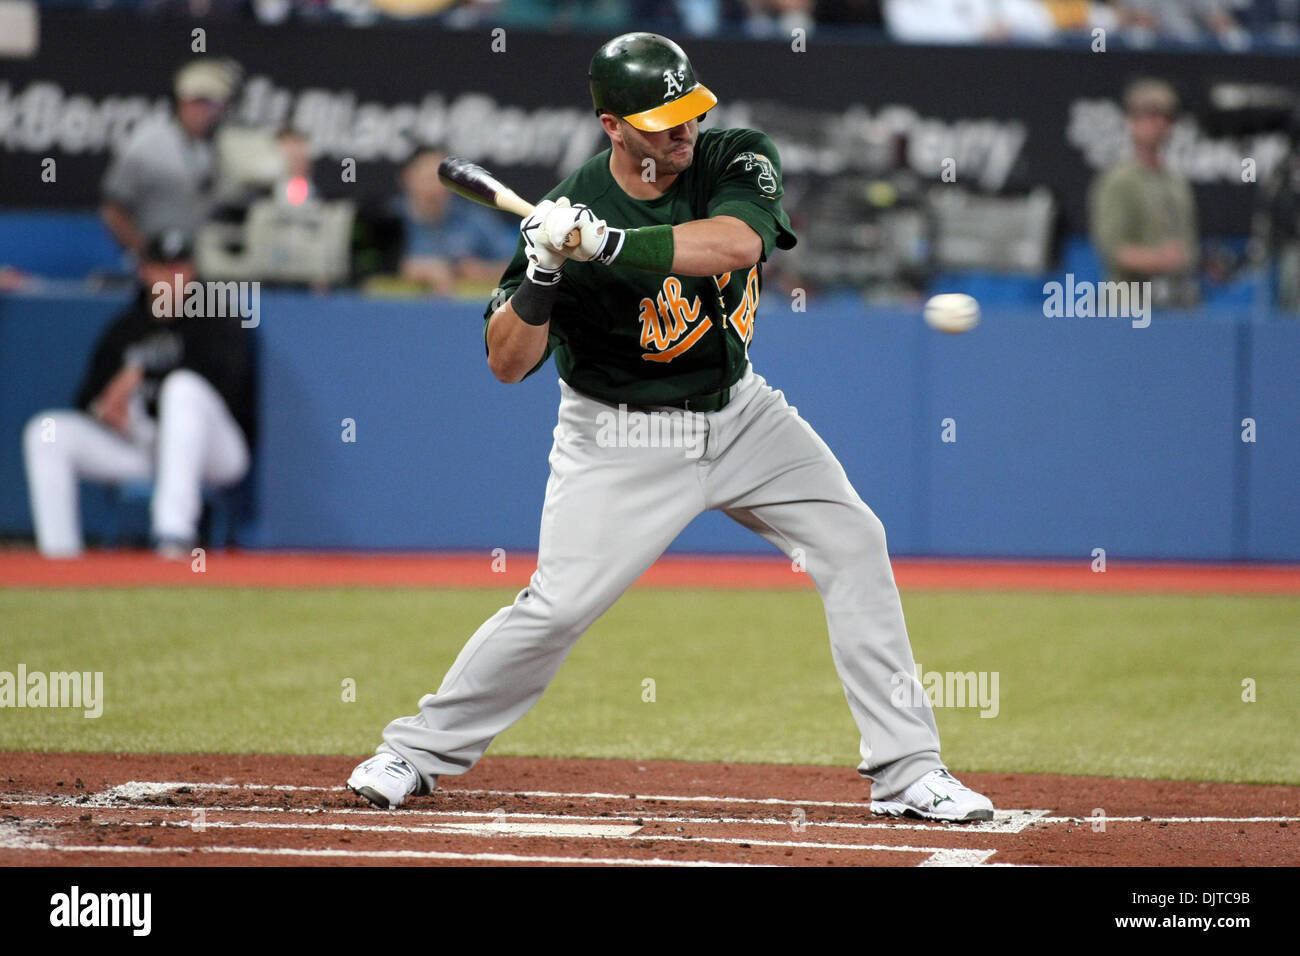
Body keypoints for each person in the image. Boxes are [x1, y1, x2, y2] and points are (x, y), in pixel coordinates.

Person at [349, 32, 994, 823]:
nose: (683, 131)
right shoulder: (566, 214)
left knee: (855, 541)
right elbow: (506, 363)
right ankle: (412, 753)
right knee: (556, 609)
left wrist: (614, 244)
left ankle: (908, 771)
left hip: (743, 413)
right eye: (661, 120)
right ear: (611, 125)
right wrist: (546, 273)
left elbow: (737, 242)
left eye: (689, 111)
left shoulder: (734, 157)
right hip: (621, 436)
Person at [22, 230, 255, 560]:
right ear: (144, 271)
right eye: (161, 268)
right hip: (143, 444)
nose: (171, 279)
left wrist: (146, 375)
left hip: (214, 453)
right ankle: (60, 560)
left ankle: (173, 536)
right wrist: (104, 411)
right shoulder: (127, 328)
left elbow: (231, 389)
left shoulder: (215, 317)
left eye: (179, 269)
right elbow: (86, 397)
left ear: (191, 271)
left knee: (182, 388)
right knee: (46, 431)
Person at [101, 58, 240, 255]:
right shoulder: (146, 144)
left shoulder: (217, 148)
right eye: (198, 103)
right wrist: (145, 253)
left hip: (201, 262)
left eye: (214, 104)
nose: (206, 112)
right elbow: (113, 210)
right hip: (156, 263)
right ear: (180, 101)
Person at [1089, 78, 1199, 308]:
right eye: (1150, 115)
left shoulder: (1177, 183)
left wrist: (1186, 258)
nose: (1159, 124)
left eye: (1166, 117)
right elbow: (1113, 249)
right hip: (1129, 300)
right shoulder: (1119, 180)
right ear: (1131, 121)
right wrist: (1160, 259)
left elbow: (1188, 243)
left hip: (1177, 297)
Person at [393, 148, 520, 294]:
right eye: (427, 178)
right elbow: (367, 266)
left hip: (463, 311)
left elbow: (519, 266)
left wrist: (482, 271)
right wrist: (414, 269)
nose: (435, 187)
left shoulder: (475, 218)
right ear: (407, 177)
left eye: (443, 179)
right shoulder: (387, 218)